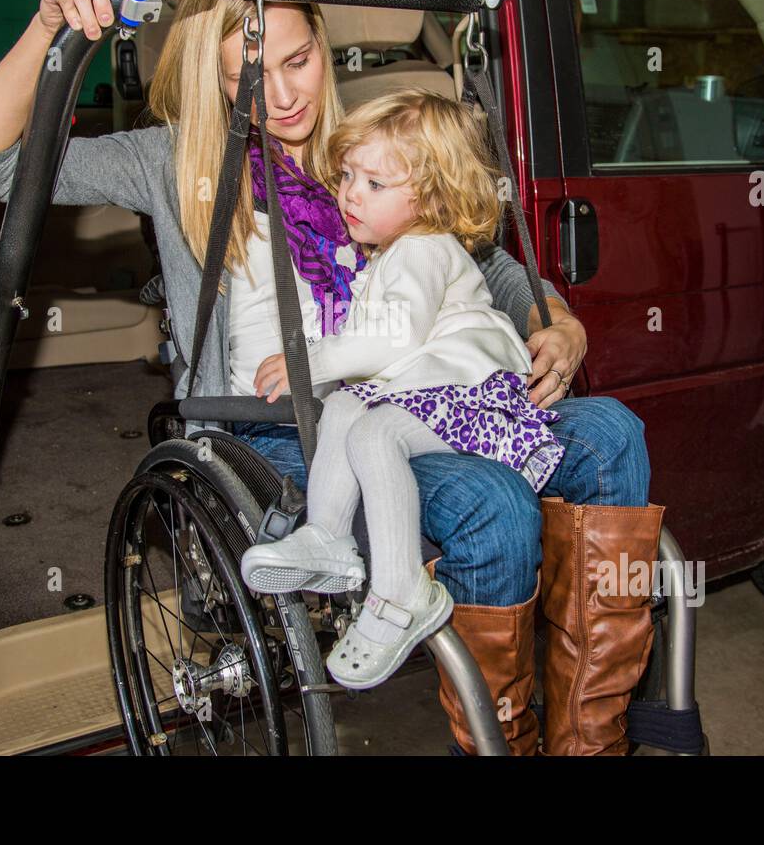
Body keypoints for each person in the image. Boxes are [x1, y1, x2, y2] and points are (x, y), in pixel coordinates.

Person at [0, 0, 653, 755]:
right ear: (214, 77)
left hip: (418, 388)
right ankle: (504, 741)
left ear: (322, 38)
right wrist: (49, 30)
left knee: (612, 433)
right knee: (494, 505)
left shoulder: (365, 148)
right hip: (280, 424)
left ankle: (592, 736)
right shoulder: (173, 162)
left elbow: (483, 259)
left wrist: (554, 319)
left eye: (299, 60)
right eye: (252, 75)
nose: (282, 96)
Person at [239, 88, 567, 691]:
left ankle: (399, 592)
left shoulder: (421, 249)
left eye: (375, 183)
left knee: (375, 432)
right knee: (344, 405)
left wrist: (308, 359)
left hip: (475, 394)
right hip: (439, 390)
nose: (350, 194)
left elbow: (389, 339)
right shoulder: (392, 252)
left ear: (432, 196)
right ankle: (330, 538)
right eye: (346, 177)